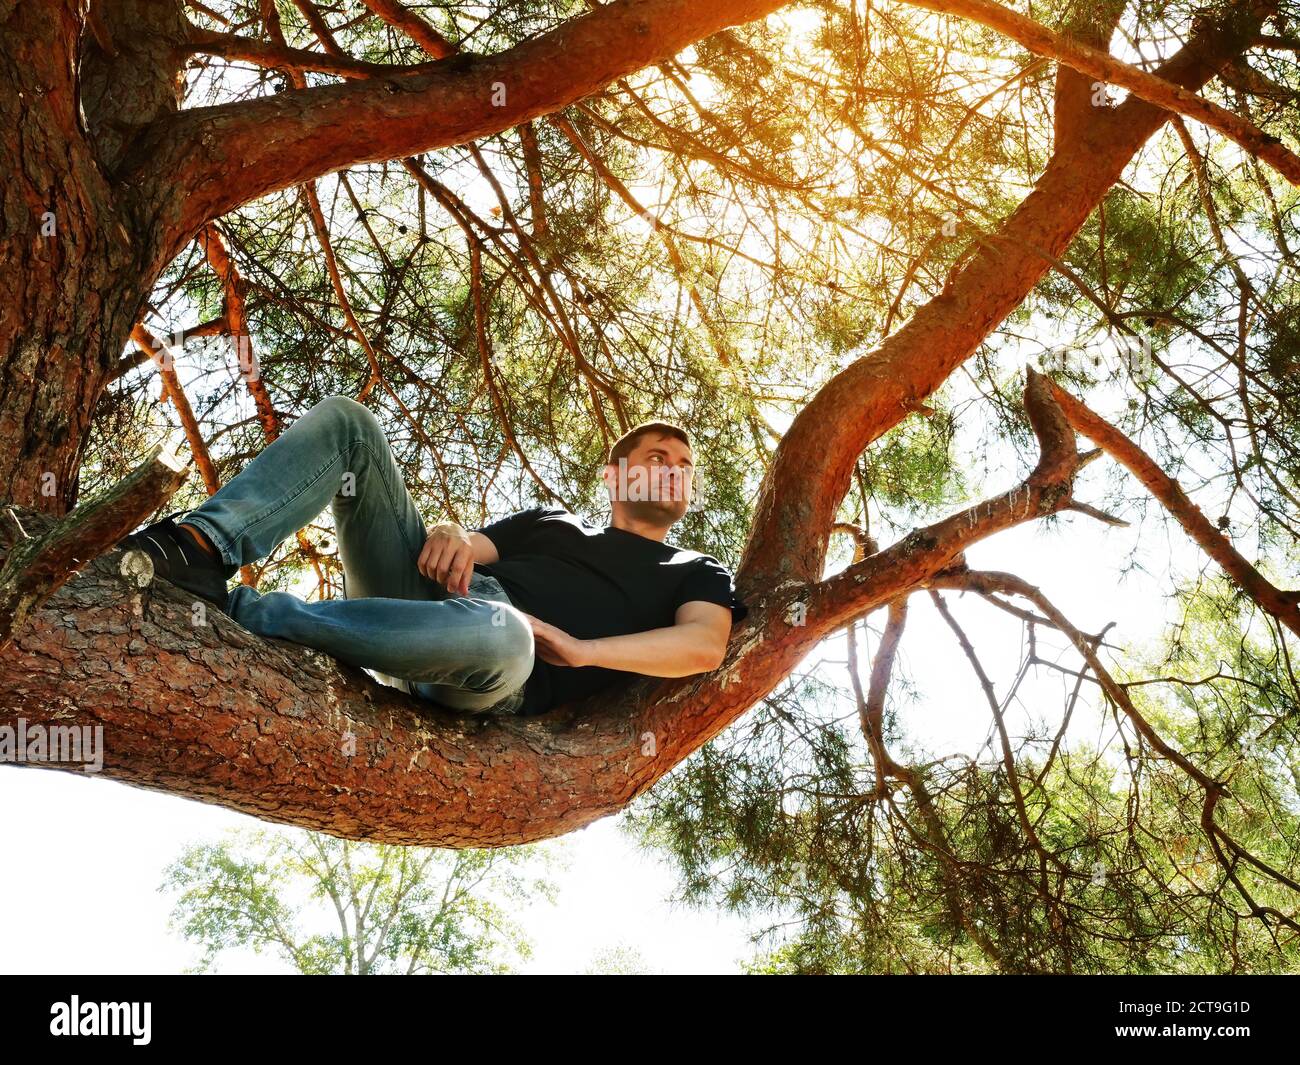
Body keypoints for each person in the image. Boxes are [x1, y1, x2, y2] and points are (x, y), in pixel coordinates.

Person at [116, 395, 747, 716]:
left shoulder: (696, 570)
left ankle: (245, 613)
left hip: (494, 664)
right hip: (425, 598)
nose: (674, 471)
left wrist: (583, 651)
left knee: (506, 636)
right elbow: (469, 546)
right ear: (615, 476)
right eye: (657, 458)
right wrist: (450, 531)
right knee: (351, 425)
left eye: (684, 466)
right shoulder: (552, 522)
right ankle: (196, 548)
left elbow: (703, 646)